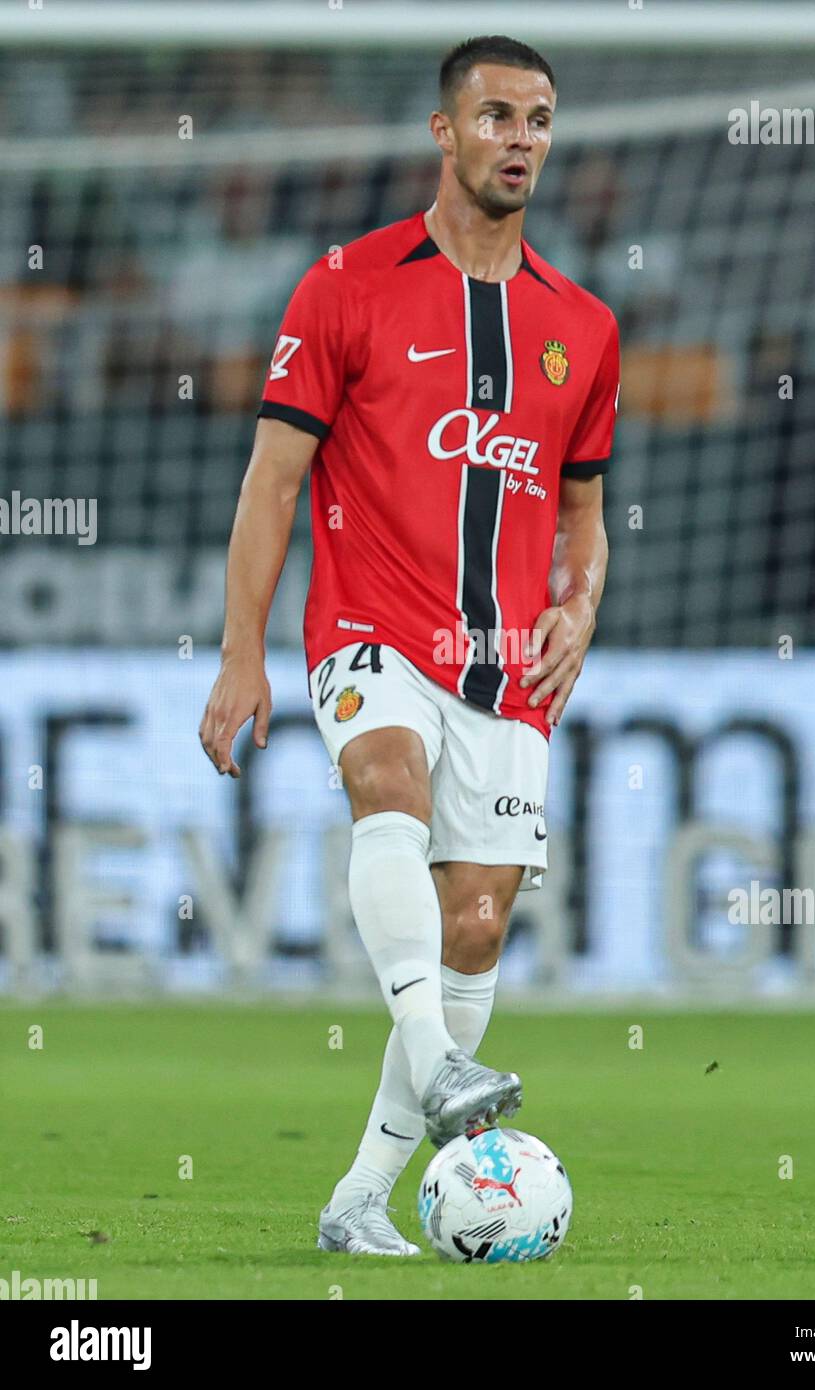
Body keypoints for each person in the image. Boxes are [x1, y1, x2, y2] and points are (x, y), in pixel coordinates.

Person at [199, 34, 620, 1256]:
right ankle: (439, 1061)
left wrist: (580, 606)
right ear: (445, 132)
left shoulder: (580, 326)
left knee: (475, 923)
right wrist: (241, 653)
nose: (521, 139)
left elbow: (585, 514)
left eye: (539, 118)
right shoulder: (344, 286)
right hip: (373, 627)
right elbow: (272, 483)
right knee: (386, 786)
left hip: (506, 668)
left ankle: (358, 1200)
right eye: (496, 116)